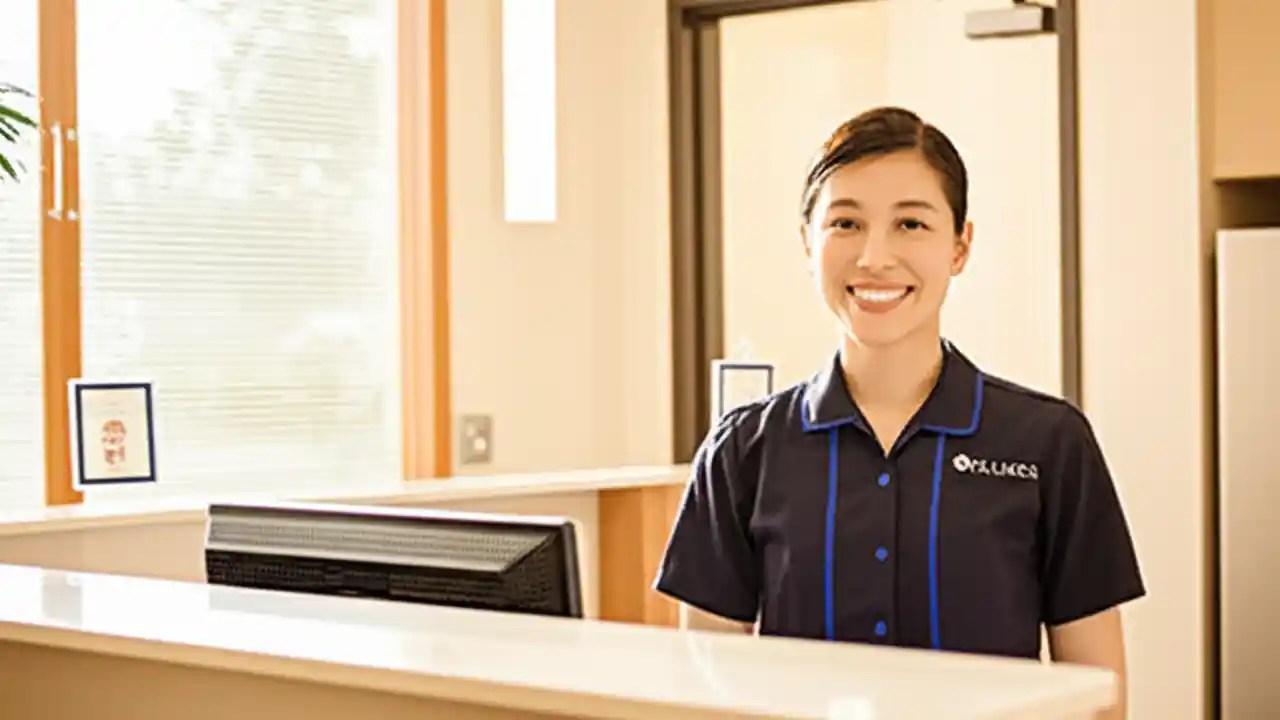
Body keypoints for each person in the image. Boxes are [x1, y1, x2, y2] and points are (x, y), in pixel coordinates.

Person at [653, 106, 1144, 718]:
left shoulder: (1049, 443)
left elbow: (1097, 690)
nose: (875, 257)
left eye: (911, 224)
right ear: (808, 241)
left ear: (960, 246)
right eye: (846, 223)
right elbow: (706, 686)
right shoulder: (742, 451)